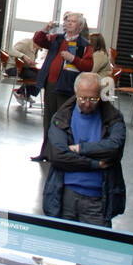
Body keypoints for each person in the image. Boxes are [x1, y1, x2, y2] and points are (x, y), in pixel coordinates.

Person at [44, 72, 128, 265]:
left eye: (92, 98)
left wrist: (79, 150)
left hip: (97, 202)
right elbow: (56, 155)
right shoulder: (62, 116)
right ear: (76, 93)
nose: (87, 103)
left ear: (100, 95)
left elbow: (114, 149)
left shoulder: (113, 118)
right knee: (64, 262)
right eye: (82, 98)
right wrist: (94, 163)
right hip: (65, 199)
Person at [31, 13, 94, 162]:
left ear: (79, 26)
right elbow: (38, 40)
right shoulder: (57, 39)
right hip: (51, 84)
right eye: (68, 21)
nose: (69, 24)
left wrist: (73, 59)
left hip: (67, 86)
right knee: (48, 119)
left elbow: (88, 65)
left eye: (73, 22)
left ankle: (59, 153)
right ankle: (45, 152)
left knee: (62, 121)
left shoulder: (85, 45)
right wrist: (45, 29)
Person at [10, 35, 41, 105]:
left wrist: (32, 62)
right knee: (35, 77)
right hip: (13, 67)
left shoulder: (36, 49)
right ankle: (22, 93)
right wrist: (23, 56)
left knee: (41, 75)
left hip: (24, 67)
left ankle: (23, 93)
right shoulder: (25, 43)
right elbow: (11, 50)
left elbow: (29, 60)